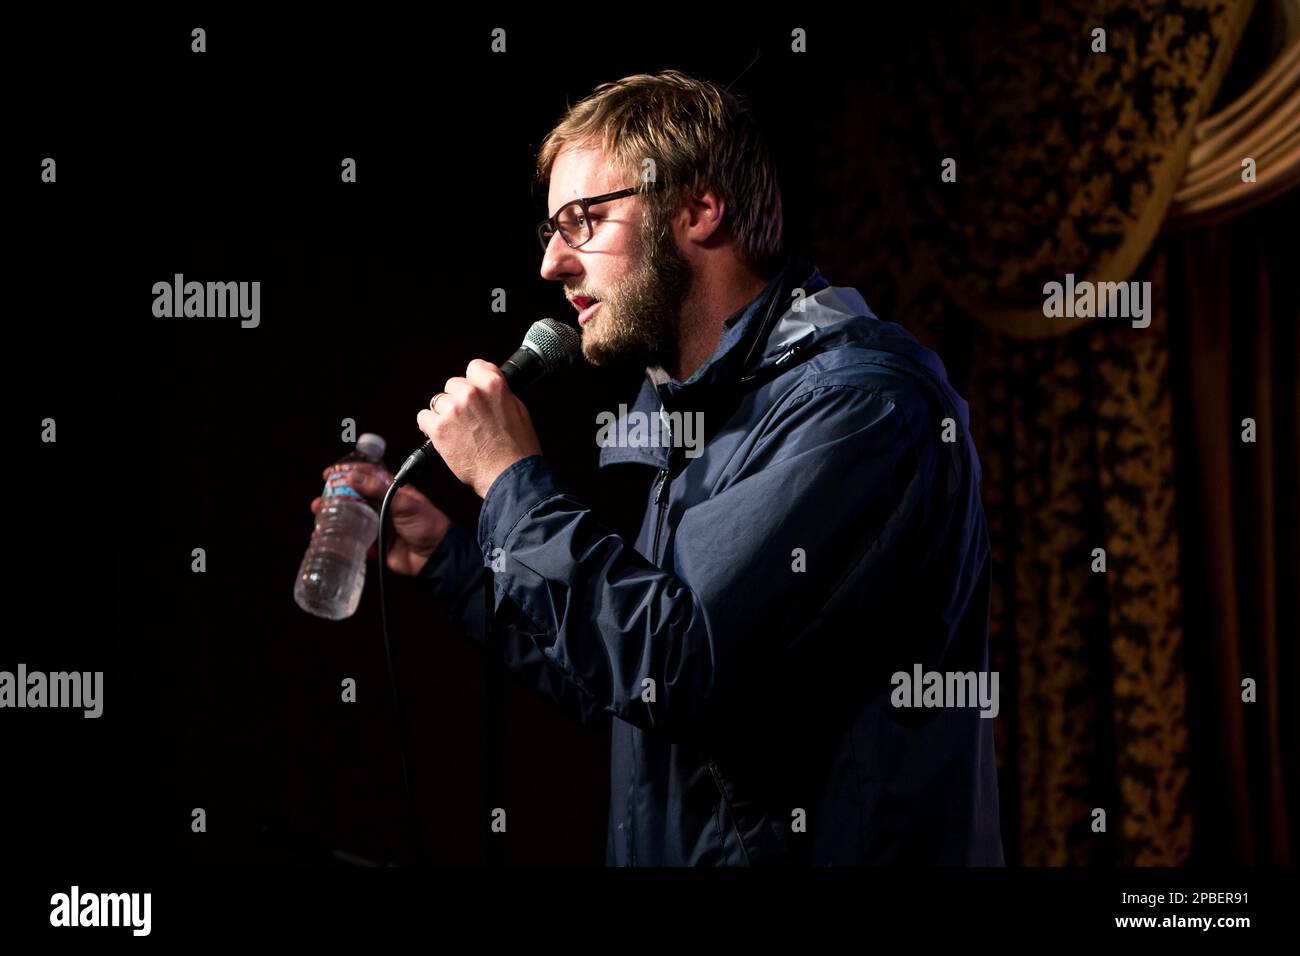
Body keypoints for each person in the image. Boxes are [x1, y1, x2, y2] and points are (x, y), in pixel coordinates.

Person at [310, 70, 1004, 865]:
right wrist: (450, 561)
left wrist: (509, 477)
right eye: (550, 231)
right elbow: (619, 677)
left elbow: (680, 662)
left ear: (698, 209)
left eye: (583, 221)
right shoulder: (692, 413)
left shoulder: (860, 407)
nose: (553, 266)